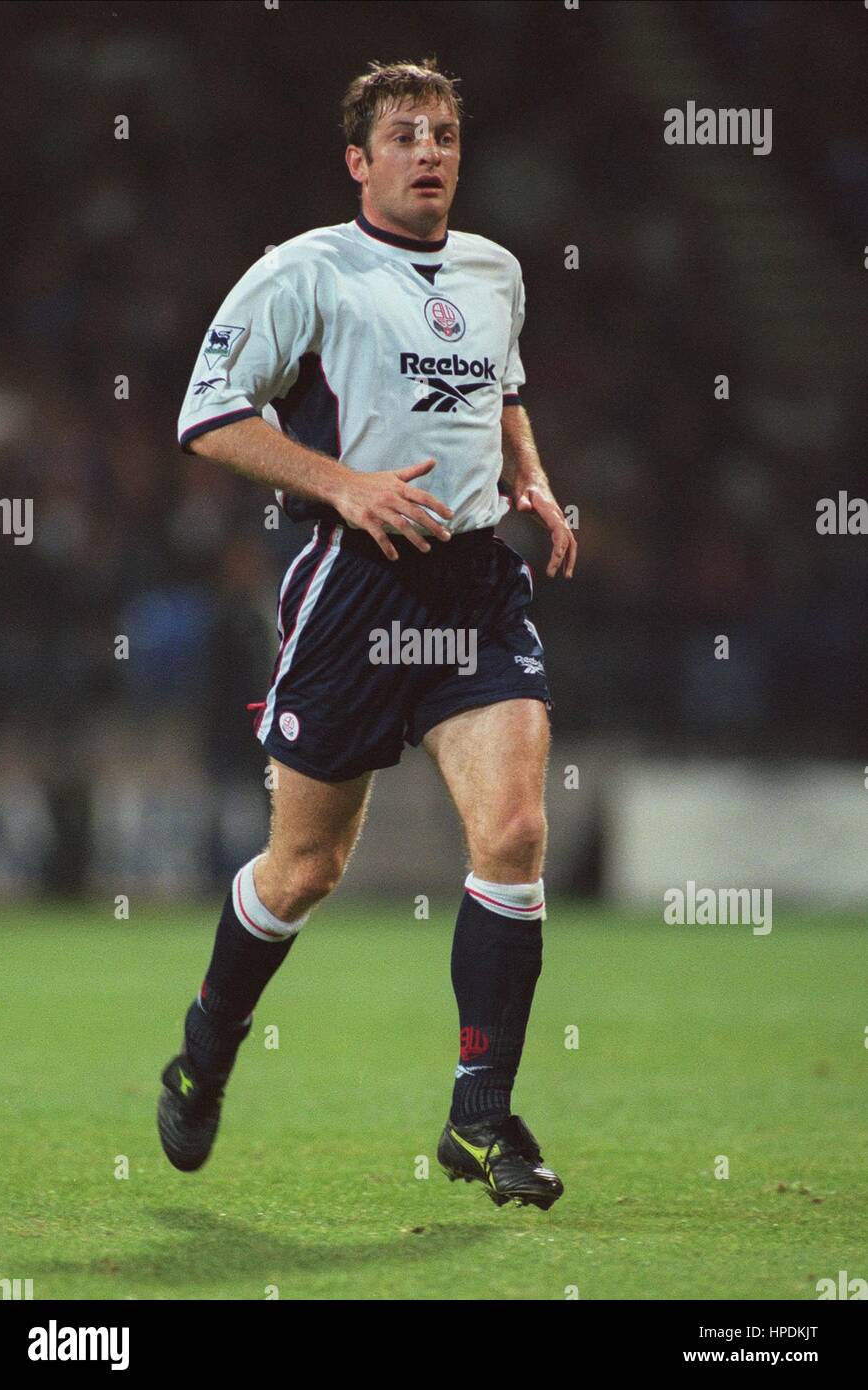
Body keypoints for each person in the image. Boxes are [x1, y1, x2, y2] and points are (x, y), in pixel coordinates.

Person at [158, 57, 576, 1210]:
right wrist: (341, 485)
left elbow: (503, 391)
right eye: (404, 135)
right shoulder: (304, 271)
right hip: (355, 590)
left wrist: (532, 483)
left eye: (442, 133)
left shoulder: (494, 270)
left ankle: (480, 1117)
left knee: (515, 829)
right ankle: (208, 1042)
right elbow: (206, 415)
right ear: (359, 159)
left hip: (477, 586)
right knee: (306, 867)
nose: (429, 152)